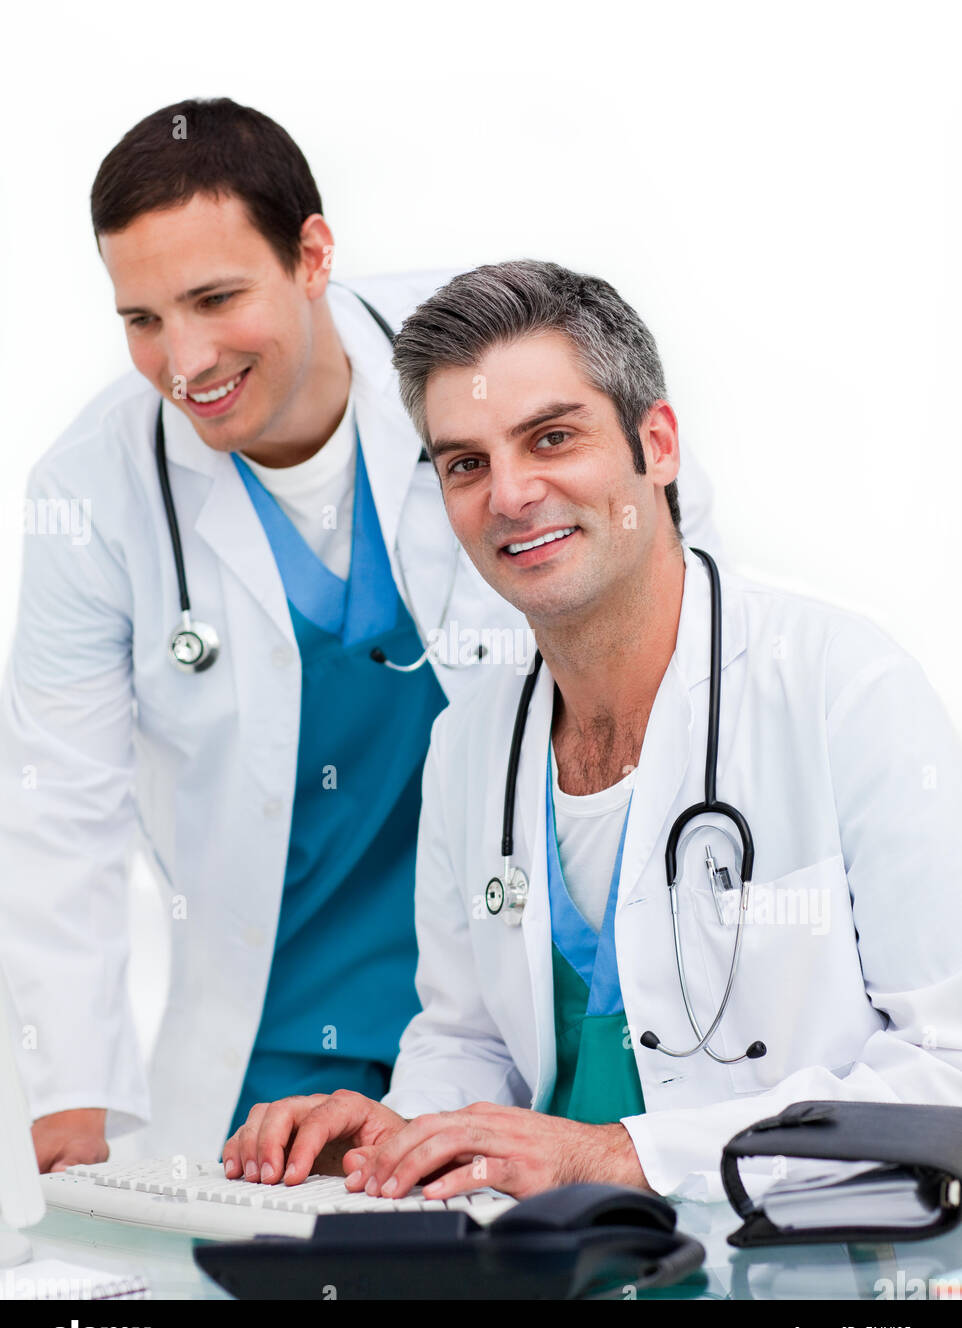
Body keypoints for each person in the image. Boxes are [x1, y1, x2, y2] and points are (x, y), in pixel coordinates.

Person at [0, 108, 721, 1170]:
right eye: (142, 317)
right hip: (280, 1054)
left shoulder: (491, 372)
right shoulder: (94, 492)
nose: (184, 359)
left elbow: (663, 585)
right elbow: (61, 811)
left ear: (312, 255)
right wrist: (70, 1108)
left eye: (215, 298)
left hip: (539, 1018)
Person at [223, 260, 962, 1204]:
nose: (511, 494)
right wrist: (406, 1136)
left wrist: (619, 1155)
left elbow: (947, 1073)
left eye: (553, 438)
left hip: (813, 1278)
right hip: (564, 1266)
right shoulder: (471, 746)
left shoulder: (844, 690)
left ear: (656, 443)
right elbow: (468, 1039)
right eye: (465, 464)